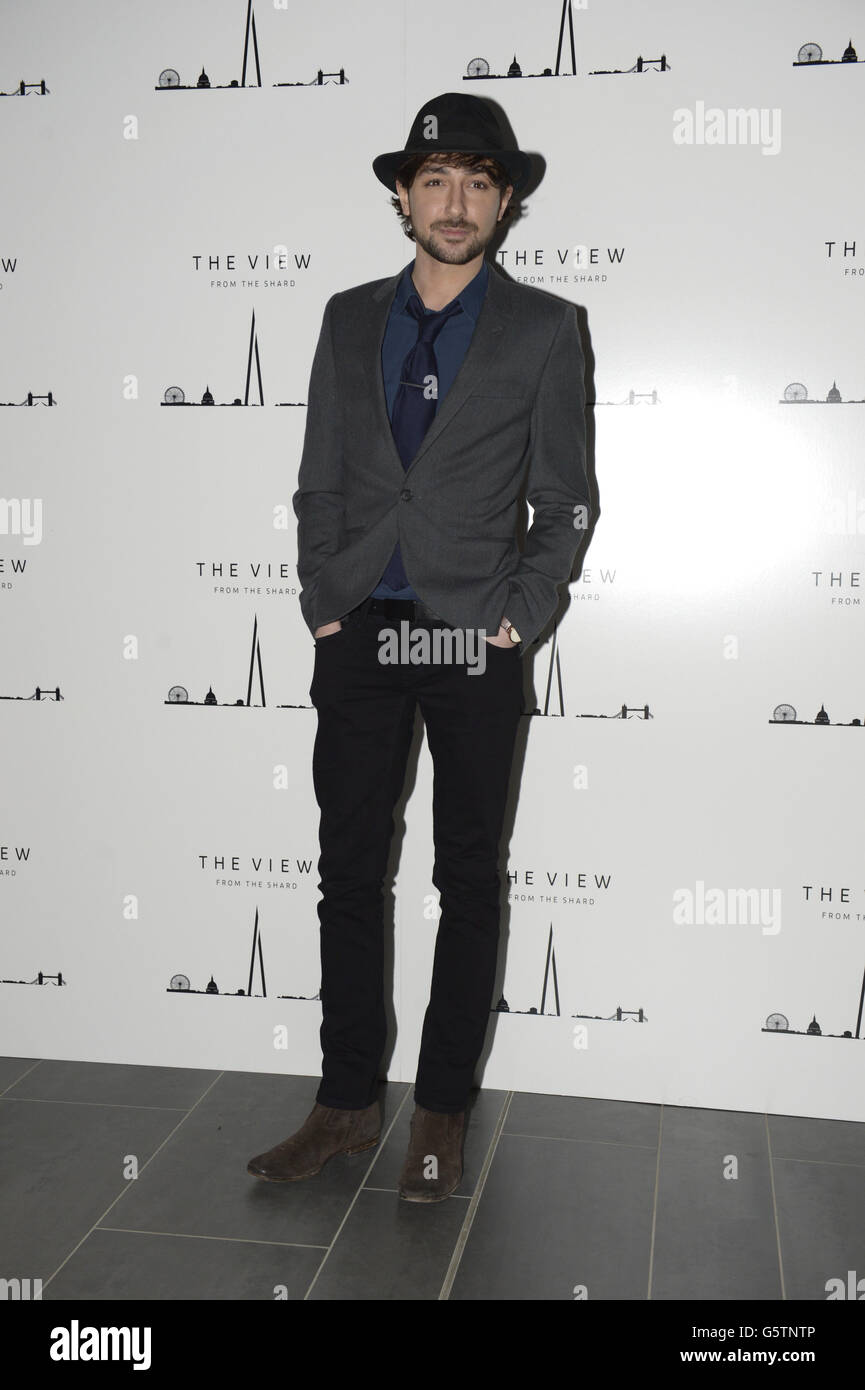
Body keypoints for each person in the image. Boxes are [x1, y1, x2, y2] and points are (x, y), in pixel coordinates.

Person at [247, 91, 590, 1201]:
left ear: (503, 202)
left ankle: (439, 1112)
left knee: (467, 874)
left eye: (479, 183)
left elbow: (567, 500)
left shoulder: (546, 329)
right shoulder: (350, 318)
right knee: (349, 867)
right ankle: (346, 1102)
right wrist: (323, 597)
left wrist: (521, 612)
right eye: (436, 180)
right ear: (403, 193)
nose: (456, 202)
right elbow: (319, 475)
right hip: (361, 630)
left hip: (471, 637)